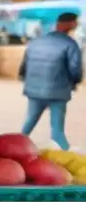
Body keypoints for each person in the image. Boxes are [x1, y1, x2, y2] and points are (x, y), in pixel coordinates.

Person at [20, 12, 82, 151]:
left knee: (29, 123)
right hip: (58, 91)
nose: (77, 25)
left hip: (34, 90)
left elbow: (23, 67)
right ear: (70, 24)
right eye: (76, 22)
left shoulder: (37, 41)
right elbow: (75, 70)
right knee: (57, 130)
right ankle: (67, 157)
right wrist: (74, 83)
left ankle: (13, 147)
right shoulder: (70, 44)